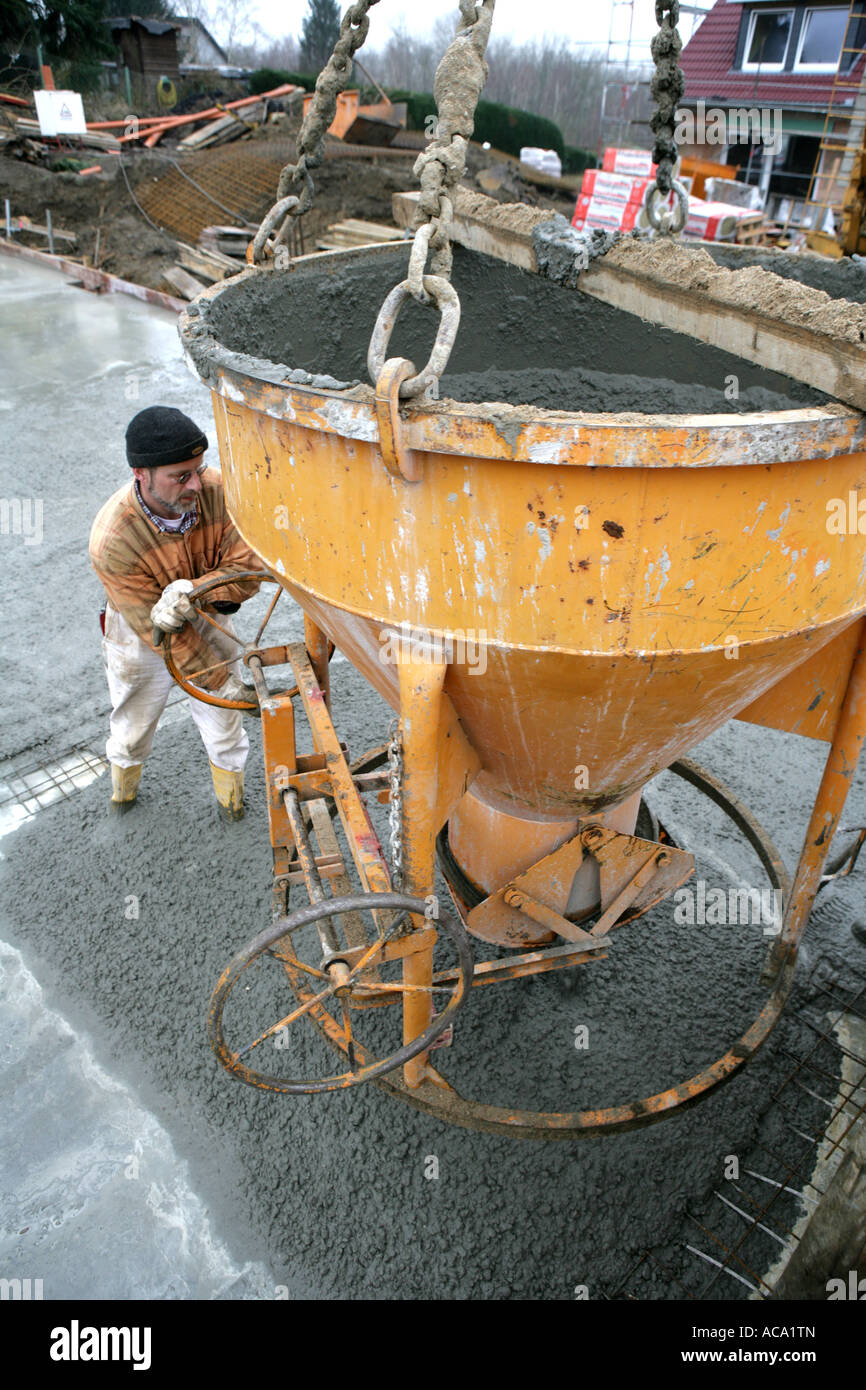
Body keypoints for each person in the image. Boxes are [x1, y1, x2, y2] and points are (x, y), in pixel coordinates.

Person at [89, 405, 265, 819]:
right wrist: (220, 681)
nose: (196, 484)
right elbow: (167, 637)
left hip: (207, 611)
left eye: (198, 470)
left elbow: (248, 570)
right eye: (180, 476)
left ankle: (232, 807)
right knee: (133, 729)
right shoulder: (113, 540)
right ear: (141, 474)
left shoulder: (220, 492)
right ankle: (123, 799)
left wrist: (197, 590)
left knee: (226, 726)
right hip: (139, 629)